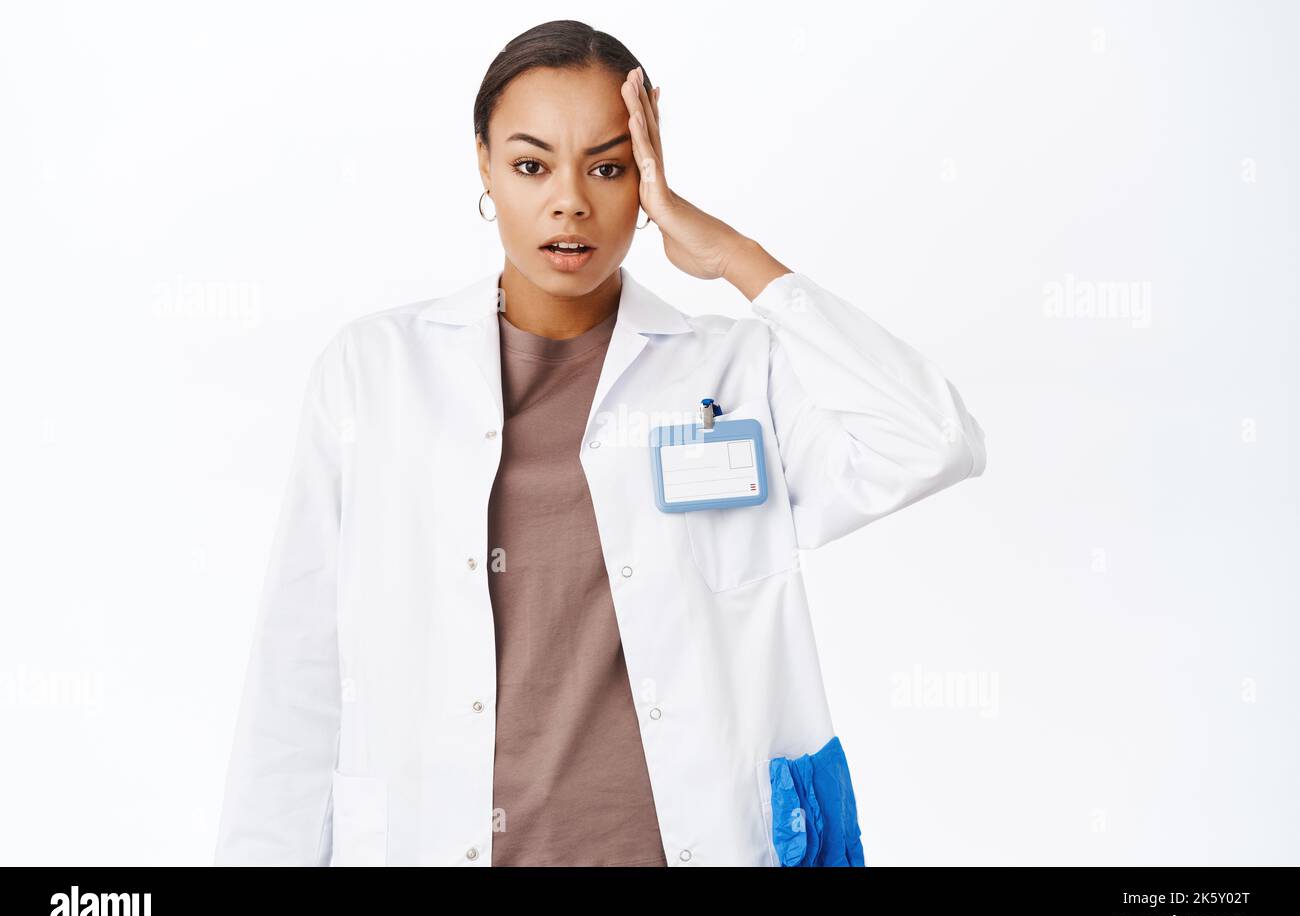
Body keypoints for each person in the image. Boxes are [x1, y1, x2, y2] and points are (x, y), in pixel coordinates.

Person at [214, 19, 987, 867]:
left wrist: (736, 256)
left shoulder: (735, 373)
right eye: (531, 164)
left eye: (609, 167)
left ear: (648, 177)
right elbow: (298, 670)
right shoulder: (375, 373)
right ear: (483, 165)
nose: (570, 201)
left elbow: (934, 440)